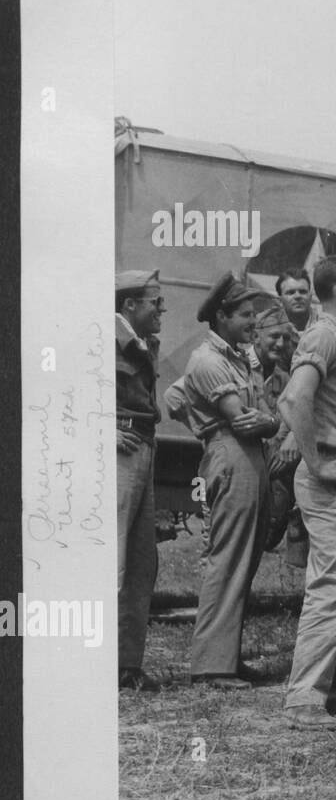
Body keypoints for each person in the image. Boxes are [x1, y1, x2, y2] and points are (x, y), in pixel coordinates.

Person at [276, 254, 336, 729]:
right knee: (331, 588)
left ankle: (321, 690)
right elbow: (294, 398)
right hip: (333, 476)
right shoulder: (324, 335)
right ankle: (303, 700)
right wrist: (316, 462)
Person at [182, 272, 278, 689]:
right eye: (244, 314)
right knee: (228, 558)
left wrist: (265, 420)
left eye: (253, 313)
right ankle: (211, 666)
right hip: (231, 455)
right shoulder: (208, 360)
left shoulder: (237, 357)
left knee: (245, 558)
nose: (252, 321)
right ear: (221, 316)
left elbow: (259, 415)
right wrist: (269, 422)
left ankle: (227, 658)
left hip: (247, 457)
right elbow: (243, 420)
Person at [115, 268, 165, 691]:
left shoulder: (141, 342)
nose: (161, 308)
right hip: (119, 450)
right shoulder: (103, 338)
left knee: (141, 562)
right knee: (111, 561)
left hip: (144, 446)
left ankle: (127, 666)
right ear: (130, 304)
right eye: (154, 301)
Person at [253, 303, 304, 558]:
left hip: (274, 474)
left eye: (285, 338)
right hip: (244, 470)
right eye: (274, 337)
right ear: (255, 336)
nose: (280, 344)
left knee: (265, 540)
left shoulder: (284, 380)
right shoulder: (240, 369)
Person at [276, 269, 317, 342]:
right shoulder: (270, 328)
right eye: (291, 293)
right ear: (280, 300)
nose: (298, 296)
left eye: (303, 292)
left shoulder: (326, 326)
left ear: (310, 297)